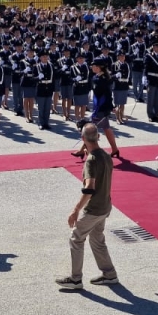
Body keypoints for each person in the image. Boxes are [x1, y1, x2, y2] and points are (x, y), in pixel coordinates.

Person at [55, 123, 119, 291]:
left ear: (83, 139)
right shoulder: (106, 155)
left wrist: (75, 210)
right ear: (98, 137)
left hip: (94, 209)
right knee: (97, 240)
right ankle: (109, 274)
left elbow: (89, 187)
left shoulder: (91, 160)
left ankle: (76, 279)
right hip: (105, 206)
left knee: (76, 238)